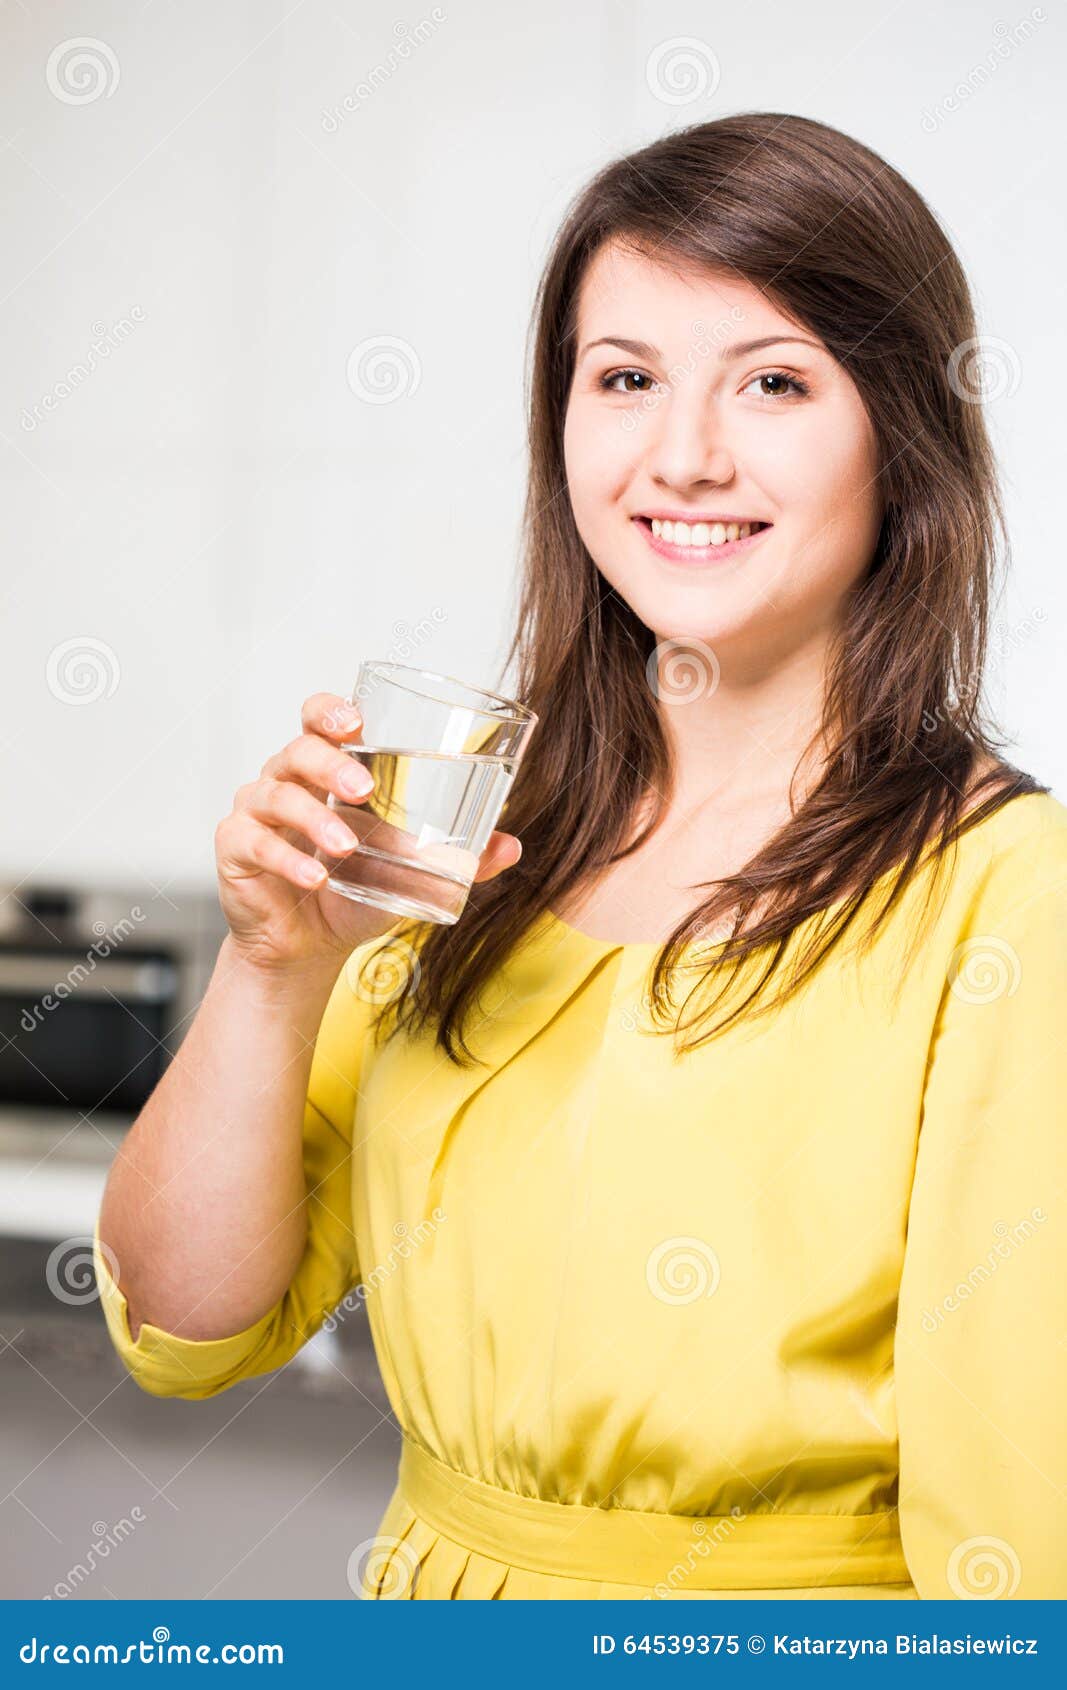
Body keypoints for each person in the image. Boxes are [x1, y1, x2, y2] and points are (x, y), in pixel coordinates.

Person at [94, 112, 1066, 1600]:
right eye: (625, 380)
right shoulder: (469, 835)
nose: (684, 454)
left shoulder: (1004, 890)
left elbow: (1020, 1523)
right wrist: (274, 965)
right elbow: (184, 1328)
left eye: (776, 382)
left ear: (901, 436)